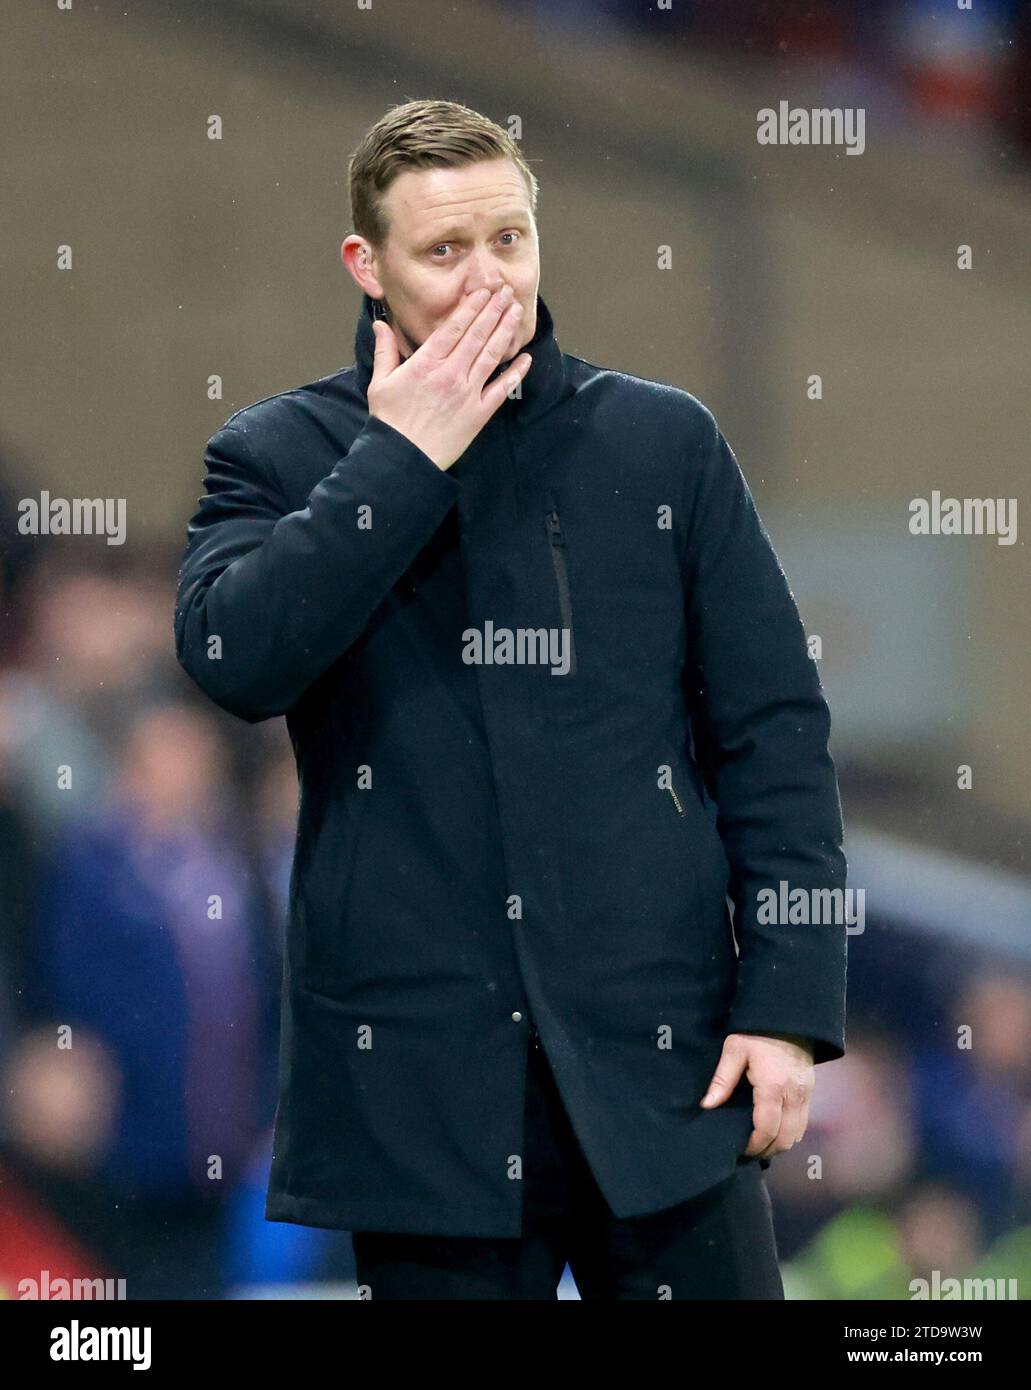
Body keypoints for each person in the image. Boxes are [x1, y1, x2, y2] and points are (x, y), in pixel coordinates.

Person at [173, 99, 848, 1299]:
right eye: (444, 252)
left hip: (669, 1077)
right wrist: (401, 460)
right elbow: (234, 658)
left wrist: (789, 1008)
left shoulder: (661, 445)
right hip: (421, 1106)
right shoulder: (279, 454)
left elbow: (774, 735)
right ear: (366, 267)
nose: (489, 278)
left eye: (510, 240)